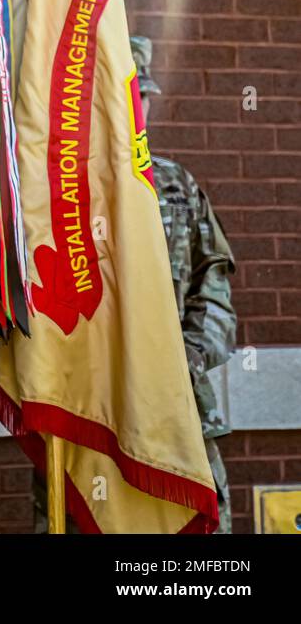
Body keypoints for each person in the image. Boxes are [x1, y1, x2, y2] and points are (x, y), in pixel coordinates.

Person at [134, 35, 238, 534]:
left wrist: (187, 360)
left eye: (144, 96)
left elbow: (214, 292)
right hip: (92, 407)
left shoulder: (176, 187)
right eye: (126, 94)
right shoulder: (63, 196)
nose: (138, 107)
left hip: (183, 414)